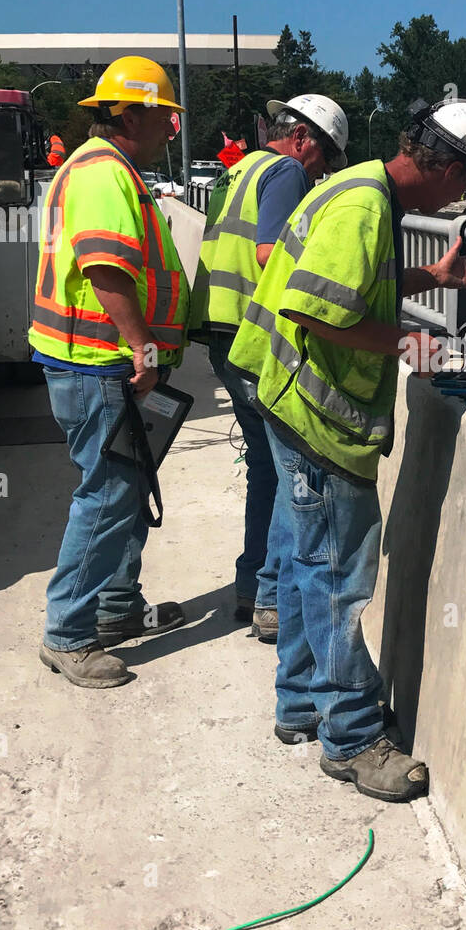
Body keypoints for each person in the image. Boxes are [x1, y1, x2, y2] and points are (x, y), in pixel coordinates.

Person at [228, 99, 466, 800]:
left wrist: (430, 281)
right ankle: (351, 739)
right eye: (462, 184)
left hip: (289, 403)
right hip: (319, 417)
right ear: (441, 165)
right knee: (338, 581)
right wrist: (420, 345)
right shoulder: (364, 207)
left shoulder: (359, 193)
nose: (458, 200)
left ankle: (299, 702)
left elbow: (353, 286)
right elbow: (317, 311)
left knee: (300, 564)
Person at [29, 57, 191, 689]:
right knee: (106, 495)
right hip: (96, 364)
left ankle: (115, 612)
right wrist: (143, 348)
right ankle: (68, 634)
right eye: (164, 117)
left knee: (119, 491)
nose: (171, 131)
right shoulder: (102, 174)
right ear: (128, 114)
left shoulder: (106, 169)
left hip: (97, 364)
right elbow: (105, 270)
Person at [189, 94, 349, 642]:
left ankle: (251, 586)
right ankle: (271, 598)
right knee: (287, 468)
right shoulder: (284, 171)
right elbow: (267, 255)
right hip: (253, 332)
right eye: (325, 157)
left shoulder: (240, 169)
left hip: (221, 328)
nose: (323, 172)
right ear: (303, 138)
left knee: (265, 464)